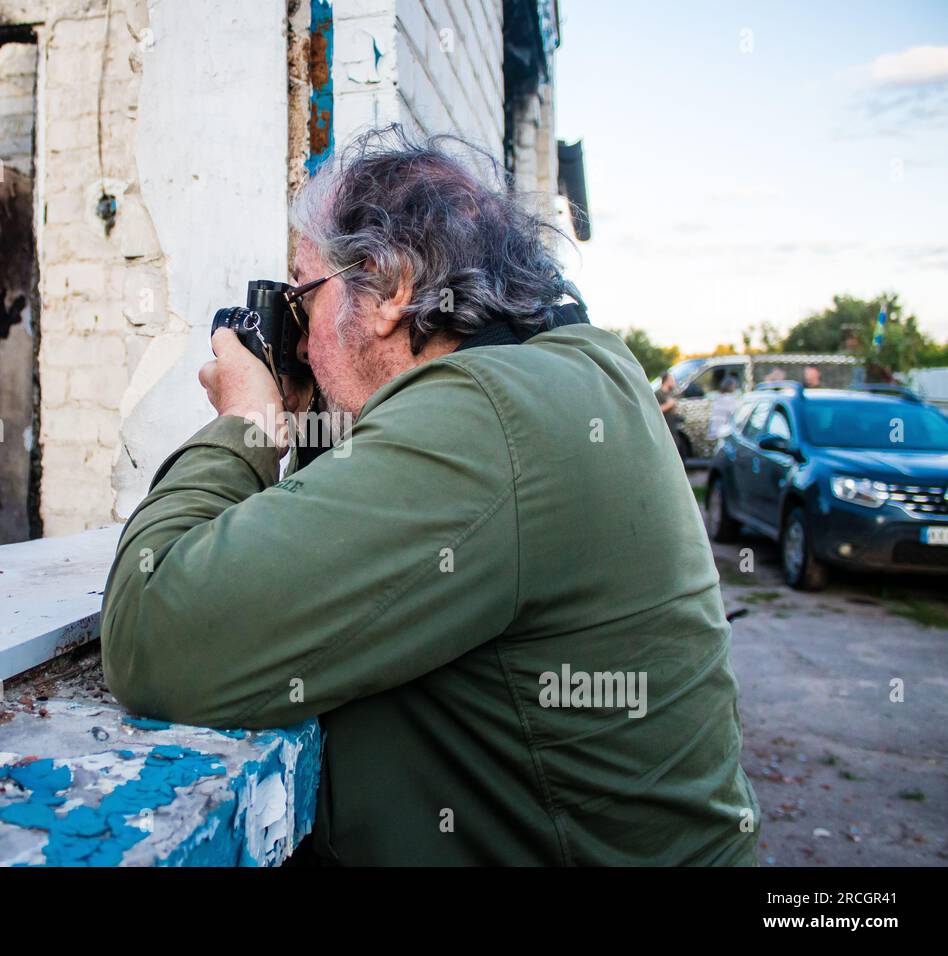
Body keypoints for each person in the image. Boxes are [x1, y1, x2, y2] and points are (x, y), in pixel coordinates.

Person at [100, 127, 758, 866]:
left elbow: (154, 630)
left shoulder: (489, 419)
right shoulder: (577, 372)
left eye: (305, 298)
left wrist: (247, 425)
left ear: (389, 289)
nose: (304, 341)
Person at [708, 376, 741, 441]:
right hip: (724, 432)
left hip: (714, 430)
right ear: (731, 386)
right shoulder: (731, 400)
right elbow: (737, 415)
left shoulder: (717, 397)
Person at [655, 371, 682, 439]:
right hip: (665, 429)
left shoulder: (671, 393)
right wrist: (668, 405)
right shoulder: (658, 394)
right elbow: (656, 410)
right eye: (672, 380)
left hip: (673, 426)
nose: (674, 382)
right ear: (667, 381)